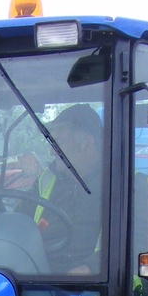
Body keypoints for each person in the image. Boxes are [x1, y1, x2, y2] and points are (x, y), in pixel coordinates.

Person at [24, 104, 104, 274]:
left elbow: (136, 245)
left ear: (86, 144)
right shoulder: (47, 180)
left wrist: (92, 268)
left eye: (58, 141)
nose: (51, 151)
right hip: (37, 277)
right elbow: (19, 220)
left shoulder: (126, 186)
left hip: (92, 288)